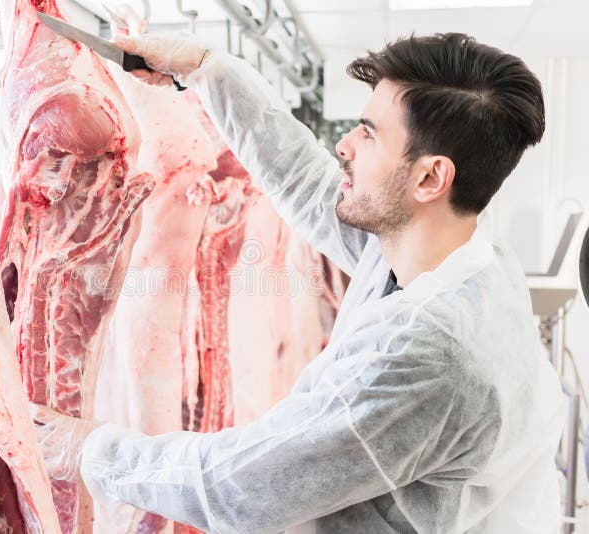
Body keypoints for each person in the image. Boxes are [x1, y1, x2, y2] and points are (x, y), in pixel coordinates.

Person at [31, 32, 566, 533]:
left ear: (431, 177)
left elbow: (241, 487)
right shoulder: (453, 252)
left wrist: (88, 452)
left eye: (369, 134)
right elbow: (308, 185)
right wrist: (206, 70)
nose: (344, 145)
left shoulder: (432, 355)